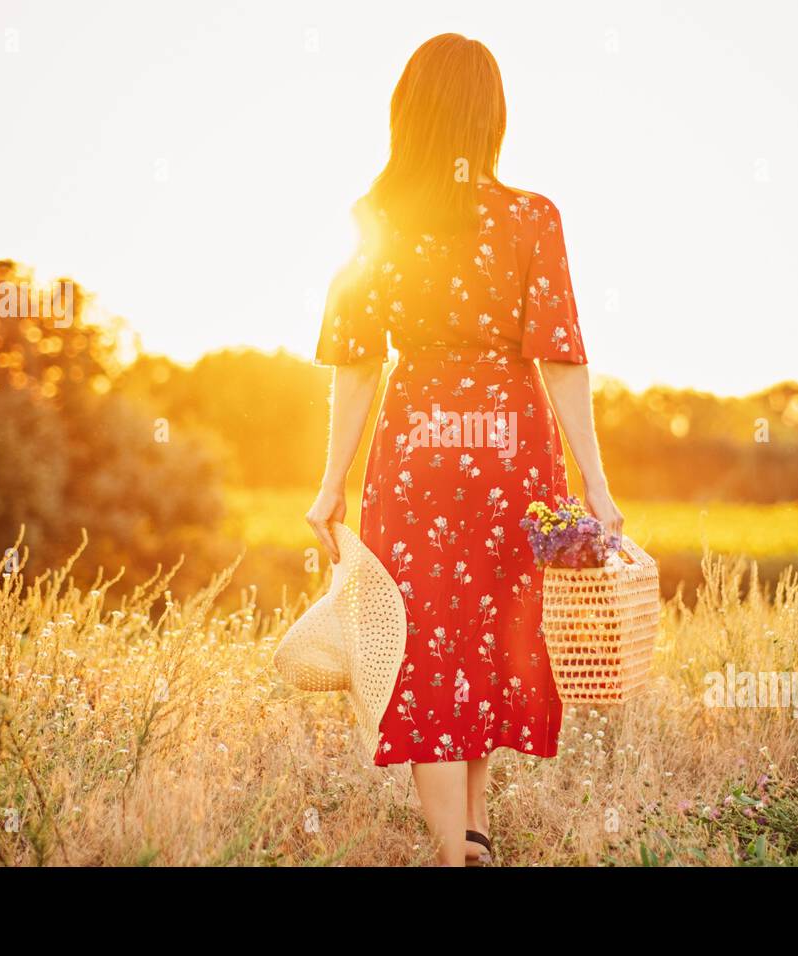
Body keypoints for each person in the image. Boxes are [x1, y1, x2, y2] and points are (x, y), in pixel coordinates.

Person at [307, 32, 623, 867]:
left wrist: (331, 482)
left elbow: (356, 362)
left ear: (406, 115)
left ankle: (466, 841)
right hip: (514, 454)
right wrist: (595, 483)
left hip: (416, 450)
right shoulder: (531, 217)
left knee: (426, 642)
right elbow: (561, 358)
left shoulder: (377, 220)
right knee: (489, 637)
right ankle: (462, 850)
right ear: (492, 118)